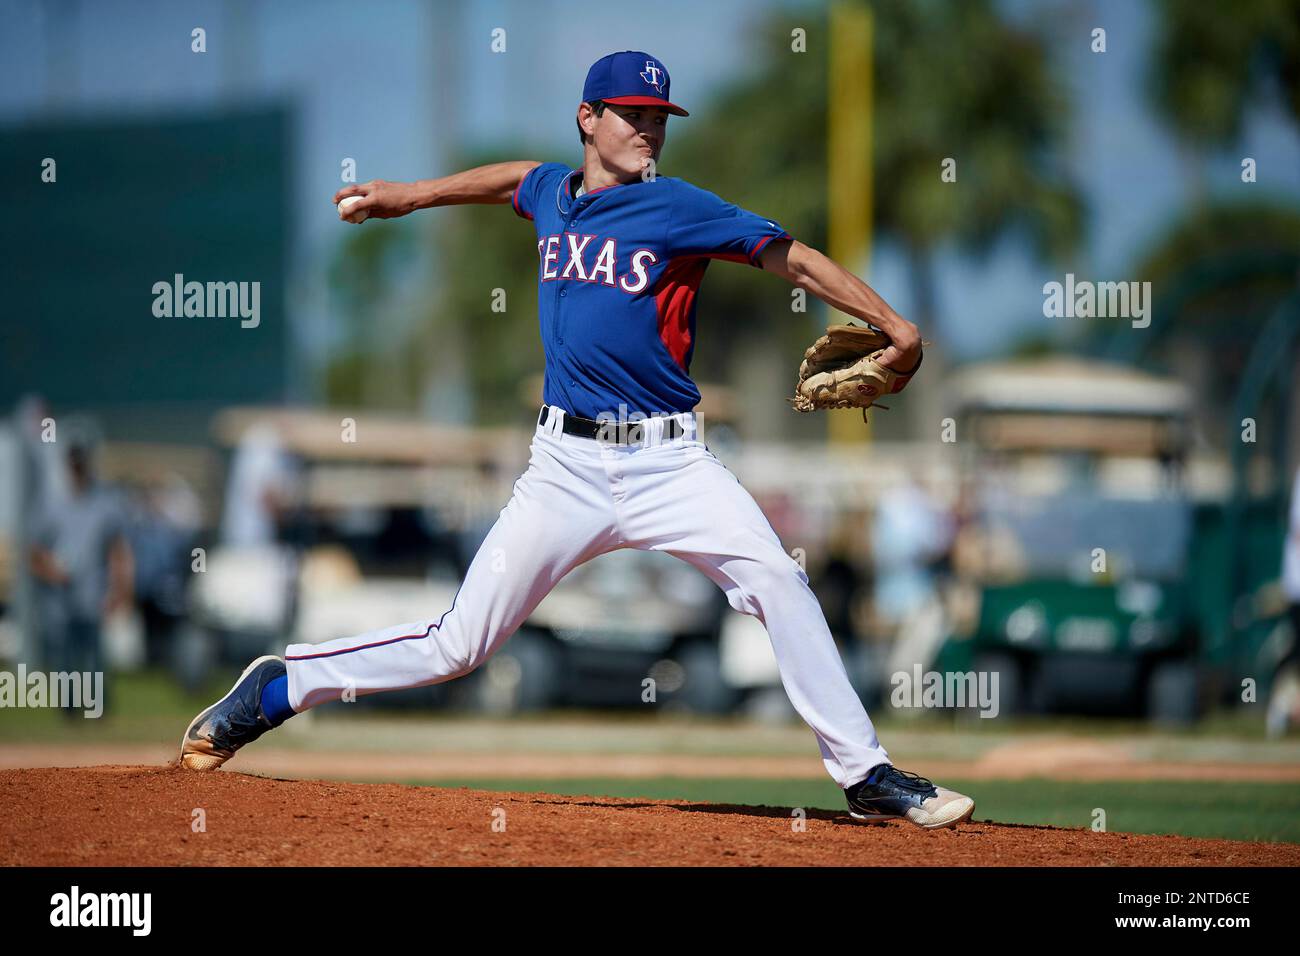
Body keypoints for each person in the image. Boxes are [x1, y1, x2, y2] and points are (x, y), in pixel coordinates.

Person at [180, 51, 974, 829]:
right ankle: (280, 686)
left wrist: (894, 325)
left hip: (671, 463)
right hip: (565, 467)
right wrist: (410, 196)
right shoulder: (554, 193)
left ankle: (865, 773)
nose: (649, 131)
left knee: (778, 580)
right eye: (633, 115)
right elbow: (515, 178)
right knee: (460, 644)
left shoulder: (679, 206)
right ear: (588, 119)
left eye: (659, 118)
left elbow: (791, 259)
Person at [29, 420, 133, 717]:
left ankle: (98, 710)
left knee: (94, 656)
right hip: (60, 598)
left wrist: (121, 588)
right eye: (73, 457)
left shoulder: (104, 502)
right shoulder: (53, 504)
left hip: (92, 593)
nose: (77, 463)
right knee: (65, 656)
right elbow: (35, 552)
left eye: (81, 457)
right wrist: (51, 571)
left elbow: (118, 549)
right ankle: (69, 711)